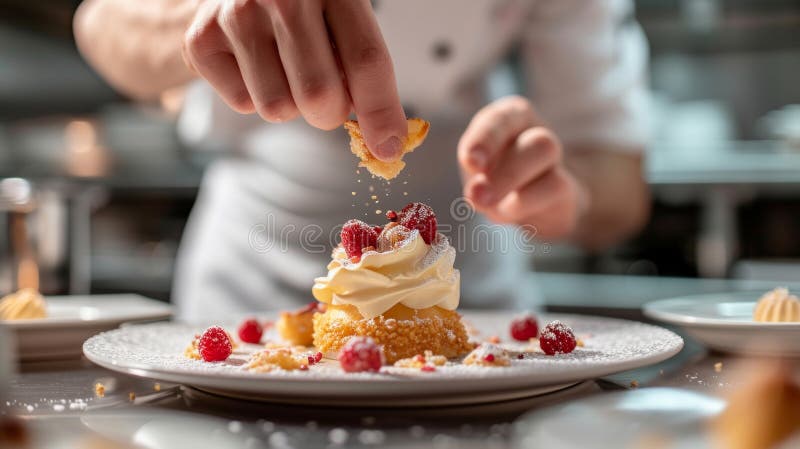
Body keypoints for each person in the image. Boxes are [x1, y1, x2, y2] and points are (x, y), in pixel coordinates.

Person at [73, 0, 651, 320]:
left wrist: (563, 195)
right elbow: (101, 24)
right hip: (248, 287)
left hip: (471, 303)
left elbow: (620, 180)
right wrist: (200, 17)